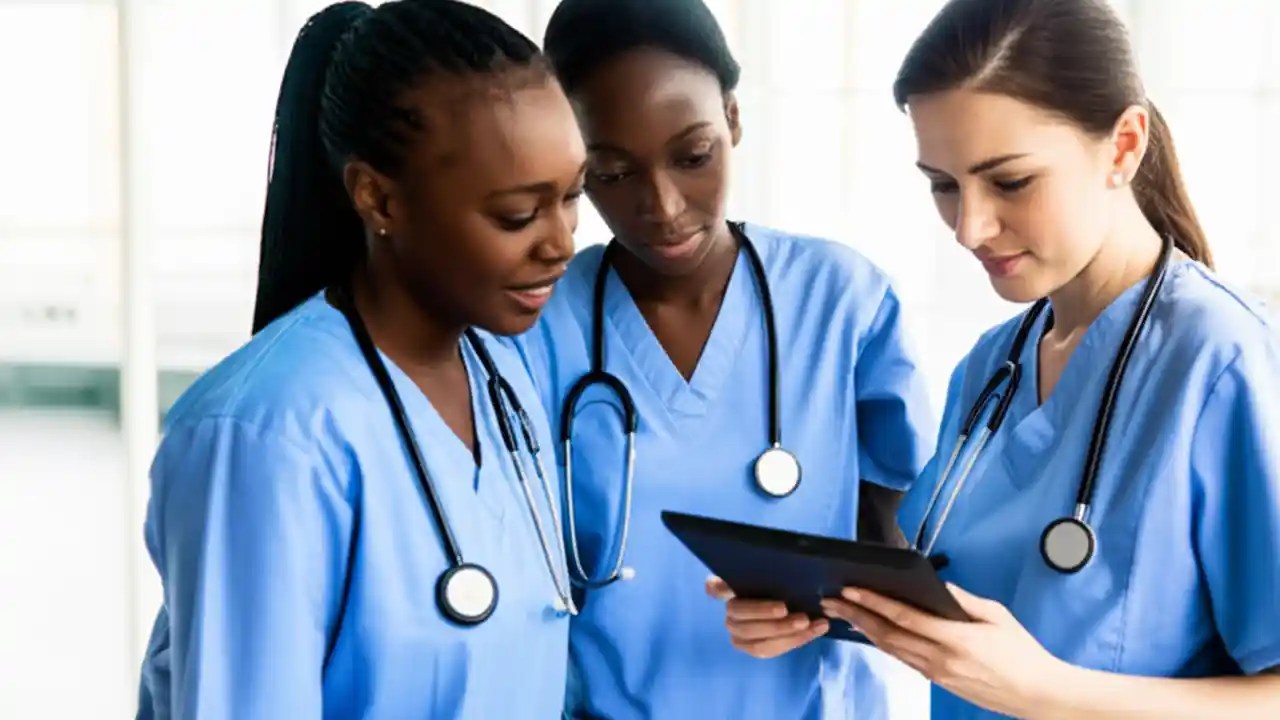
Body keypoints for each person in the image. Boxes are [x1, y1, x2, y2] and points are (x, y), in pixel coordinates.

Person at [713, 0, 1280, 717]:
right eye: (944, 185)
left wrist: (1042, 692)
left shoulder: (1223, 362)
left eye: (1010, 181)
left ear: (1125, 145)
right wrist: (823, 611)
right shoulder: (993, 368)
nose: (969, 227)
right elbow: (989, 620)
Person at [134, 2, 587, 717]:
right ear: (377, 197)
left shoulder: (505, 376)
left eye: (573, 197)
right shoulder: (266, 436)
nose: (561, 242)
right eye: (516, 215)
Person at [510, 0, 937, 717]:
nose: (665, 205)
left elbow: (911, 572)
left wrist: (827, 613)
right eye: (612, 173)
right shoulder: (537, 328)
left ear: (733, 119)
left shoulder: (841, 301)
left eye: (694, 155)